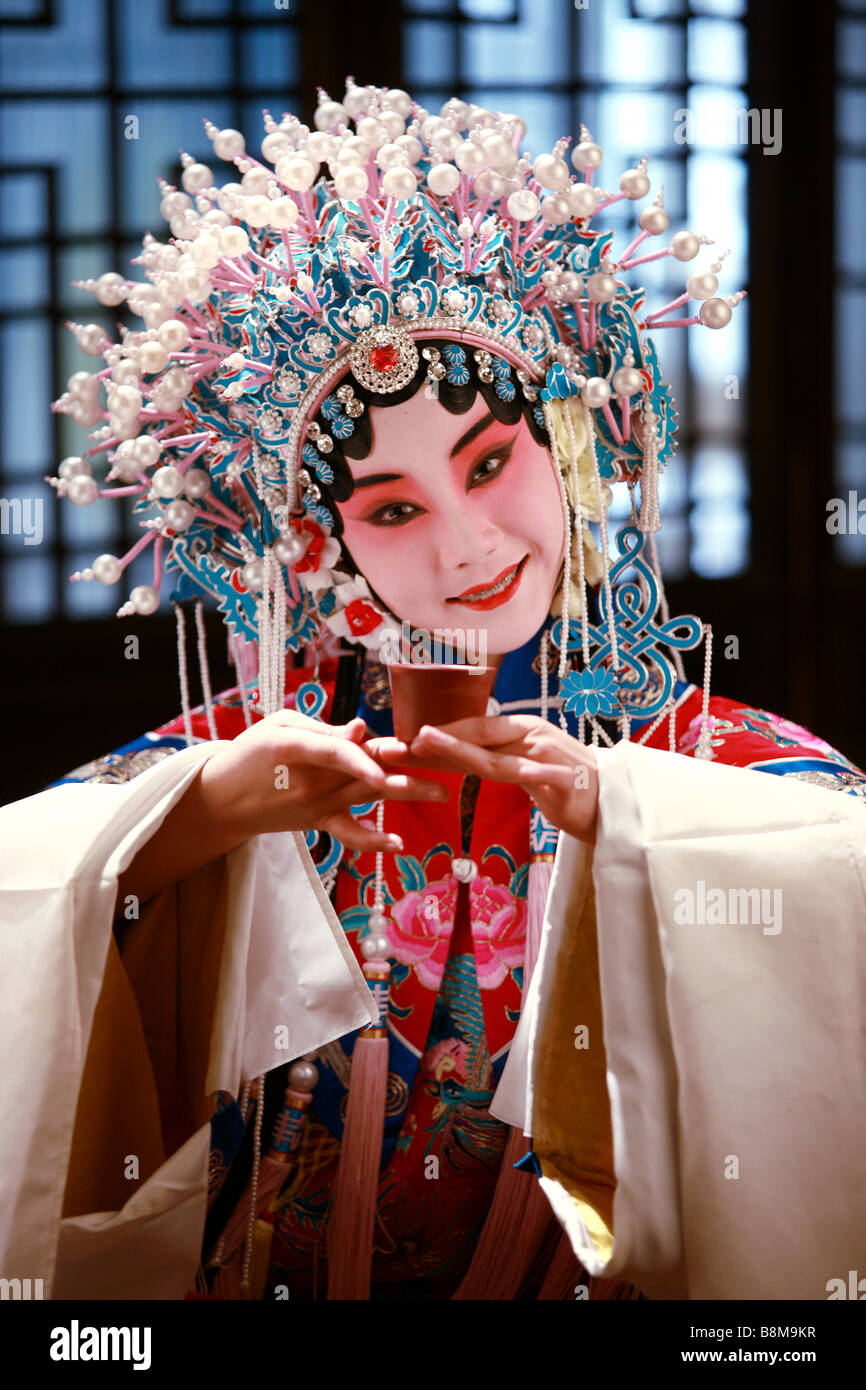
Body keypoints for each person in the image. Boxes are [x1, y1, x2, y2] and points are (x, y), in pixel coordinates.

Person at [2, 81, 865, 1303]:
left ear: (572, 451)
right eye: (393, 508)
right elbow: (25, 897)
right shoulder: (249, 766)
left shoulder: (707, 759)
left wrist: (636, 820)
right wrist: (190, 822)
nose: (465, 548)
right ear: (312, 544)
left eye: (491, 462)